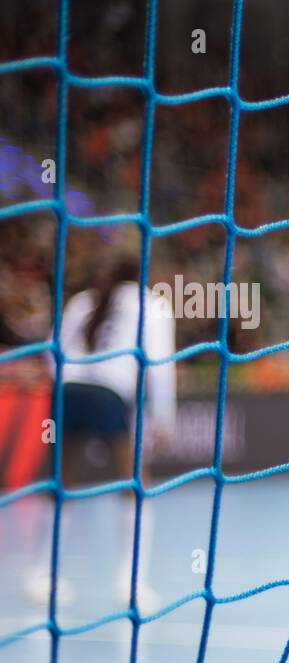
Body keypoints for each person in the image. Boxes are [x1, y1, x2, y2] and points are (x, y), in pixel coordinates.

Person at [25, 254, 176, 611]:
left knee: (62, 482)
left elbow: (52, 353)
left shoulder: (84, 299)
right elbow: (160, 365)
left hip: (68, 391)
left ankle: (43, 573)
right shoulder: (153, 305)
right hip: (108, 394)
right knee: (135, 483)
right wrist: (164, 417)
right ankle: (133, 581)